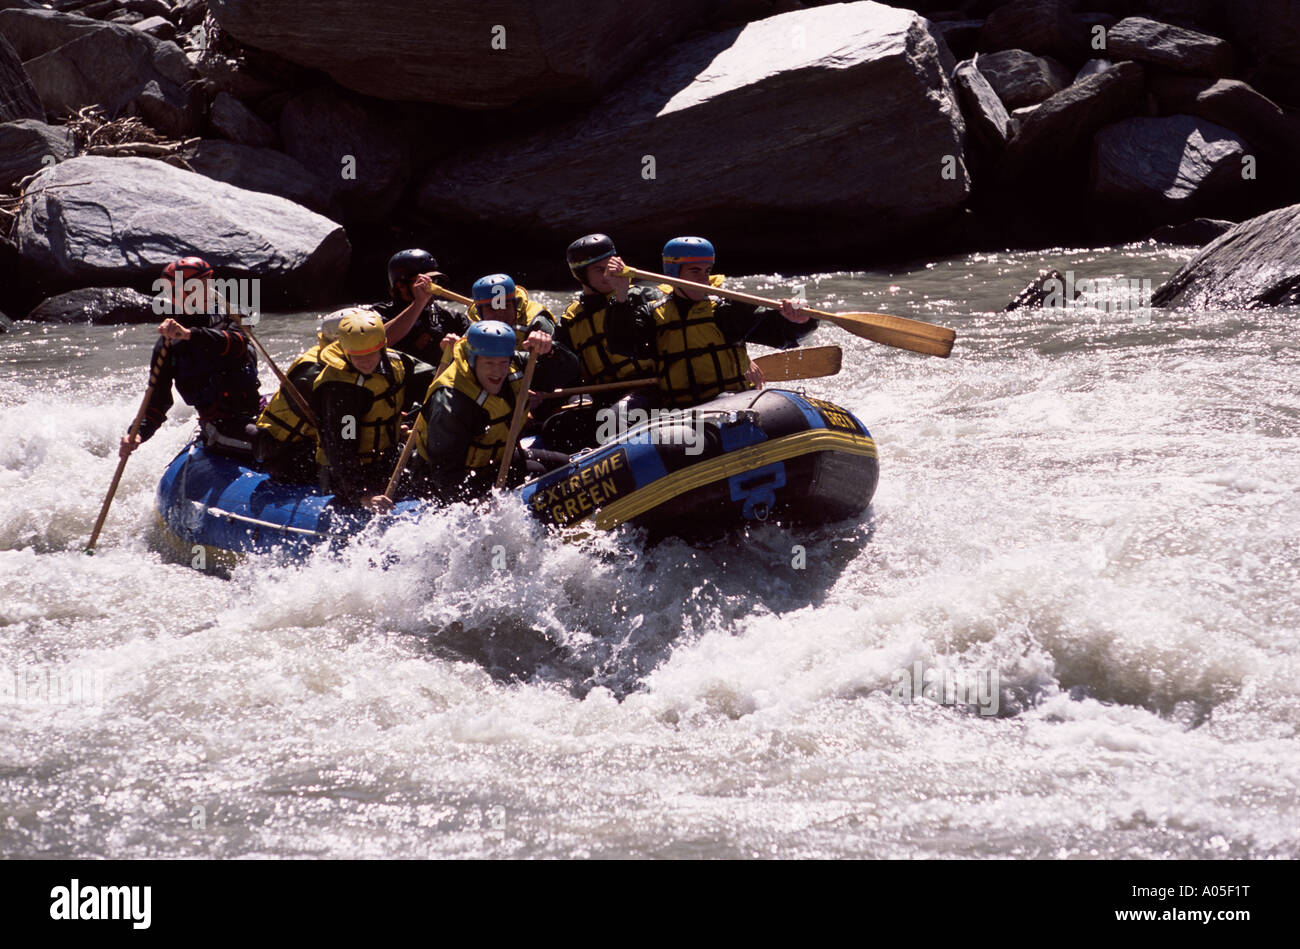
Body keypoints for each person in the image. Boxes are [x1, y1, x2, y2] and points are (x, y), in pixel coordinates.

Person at [605, 236, 817, 409]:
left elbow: (782, 335)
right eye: (695, 271)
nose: (703, 279)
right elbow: (623, 345)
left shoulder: (726, 310)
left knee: (721, 401)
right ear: (672, 274)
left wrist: (801, 320)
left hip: (730, 403)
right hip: (680, 412)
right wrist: (621, 294)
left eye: (706, 271)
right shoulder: (653, 314)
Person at [406, 321, 571, 503]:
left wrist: (550, 351)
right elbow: (445, 474)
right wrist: (476, 506)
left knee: (563, 464)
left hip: (489, 461)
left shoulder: (511, 362)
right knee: (536, 470)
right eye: (489, 363)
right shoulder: (451, 401)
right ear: (472, 360)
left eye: (502, 363)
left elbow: (568, 371)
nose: (498, 371)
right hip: (443, 481)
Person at [119, 256, 261, 460]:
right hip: (220, 424)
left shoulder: (234, 315)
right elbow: (157, 402)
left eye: (208, 282)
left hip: (255, 409)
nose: (208, 289)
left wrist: (189, 334)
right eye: (197, 286)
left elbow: (236, 345)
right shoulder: (168, 346)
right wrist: (137, 433)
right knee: (268, 443)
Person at [543, 234, 660, 451]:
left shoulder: (644, 297)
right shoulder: (571, 320)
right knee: (555, 428)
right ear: (581, 276)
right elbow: (566, 373)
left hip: (651, 390)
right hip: (605, 397)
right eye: (599, 270)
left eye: (611, 266)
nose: (609, 275)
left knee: (617, 416)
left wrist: (622, 295)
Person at [311, 307, 434, 512]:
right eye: (357, 356)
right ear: (345, 351)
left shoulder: (396, 363)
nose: (365, 361)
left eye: (371, 353)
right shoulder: (341, 389)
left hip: (386, 459)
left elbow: (433, 383)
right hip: (345, 474)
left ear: (382, 347)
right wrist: (363, 495)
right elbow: (341, 448)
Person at [466, 273, 581, 418]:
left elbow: (561, 374)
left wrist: (549, 349)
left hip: (542, 393)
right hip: (505, 392)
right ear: (479, 312)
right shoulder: (474, 330)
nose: (500, 314)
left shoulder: (538, 323)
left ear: (515, 304)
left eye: (505, 306)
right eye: (492, 308)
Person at [254, 311, 345, 482]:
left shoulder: (344, 363)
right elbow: (340, 429)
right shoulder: (313, 376)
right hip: (287, 452)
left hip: (312, 441)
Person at [372, 249, 468, 368]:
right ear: (400, 285)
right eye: (423, 282)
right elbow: (374, 343)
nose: (432, 286)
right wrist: (419, 303)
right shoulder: (378, 313)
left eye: (434, 281)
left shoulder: (449, 316)